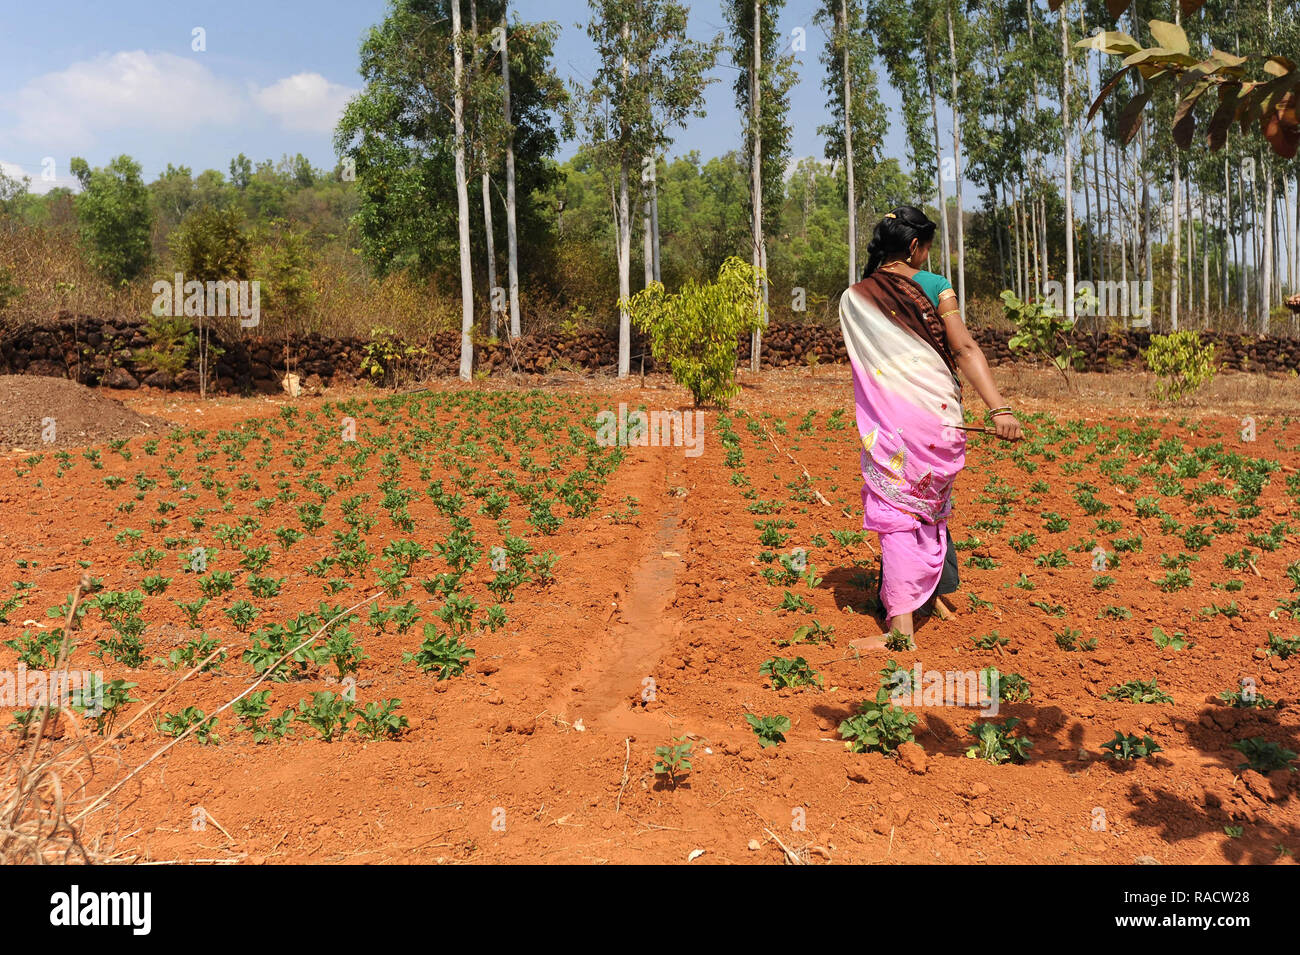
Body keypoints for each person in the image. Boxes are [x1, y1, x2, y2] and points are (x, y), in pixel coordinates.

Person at [838, 205, 1021, 648]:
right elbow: (964, 349)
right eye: (927, 249)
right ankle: (925, 597)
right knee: (930, 509)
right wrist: (998, 409)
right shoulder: (937, 287)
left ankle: (901, 632)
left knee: (896, 513)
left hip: (893, 422)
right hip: (939, 420)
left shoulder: (854, 297)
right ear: (916, 247)